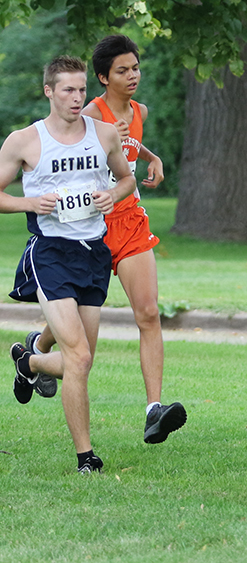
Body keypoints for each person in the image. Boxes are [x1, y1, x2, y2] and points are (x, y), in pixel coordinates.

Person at [26, 35, 187, 445]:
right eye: (122, 70)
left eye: (135, 68)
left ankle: (154, 410)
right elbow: (87, 142)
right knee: (75, 339)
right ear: (102, 77)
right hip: (88, 230)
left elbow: (126, 147)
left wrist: (150, 156)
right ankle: (35, 352)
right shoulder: (87, 111)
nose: (132, 76)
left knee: (149, 313)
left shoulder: (139, 111)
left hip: (128, 218)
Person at [2, 55, 136, 473]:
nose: (77, 98)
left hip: (94, 252)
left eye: (81, 90)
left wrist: (112, 196)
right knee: (77, 358)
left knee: (82, 361)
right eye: (67, 90)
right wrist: (29, 202)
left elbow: (126, 178)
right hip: (51, 252)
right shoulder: (24, 141)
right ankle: (86, 457)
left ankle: (31, 361)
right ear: (49, 91)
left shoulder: (104, 135)